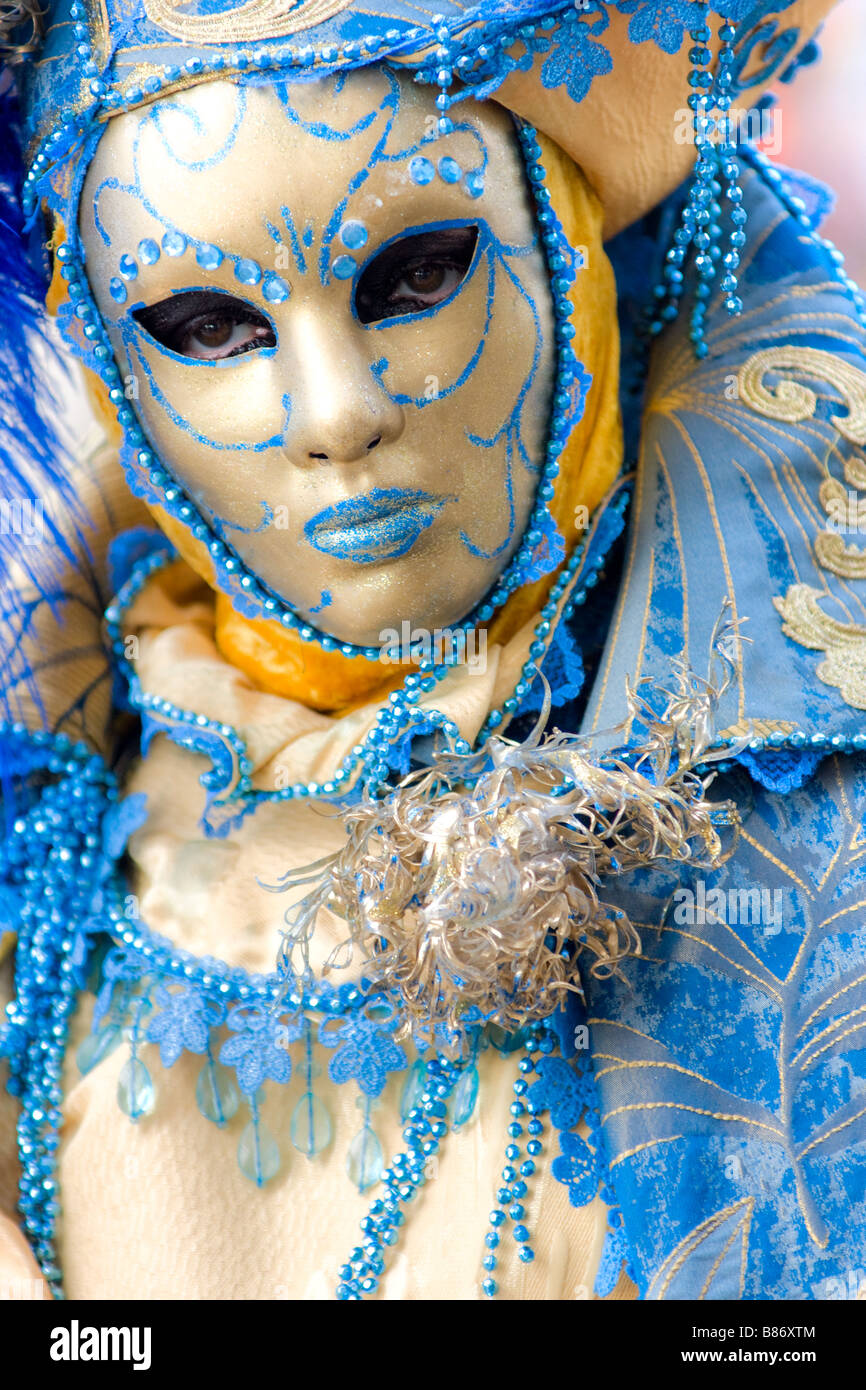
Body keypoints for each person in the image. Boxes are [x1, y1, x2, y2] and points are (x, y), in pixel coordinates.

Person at [1, 0, 862, 1302]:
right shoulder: (48, 848)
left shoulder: (813, 843)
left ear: (566, 248)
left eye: (415, 274)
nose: (337, 411)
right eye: (208, 324)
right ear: (114, 371)